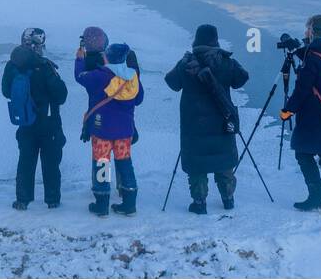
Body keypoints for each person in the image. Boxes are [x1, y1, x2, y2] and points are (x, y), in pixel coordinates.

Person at [164, 24, 249, 214]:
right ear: (215, 40)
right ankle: (228, 199)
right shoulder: (225, 62)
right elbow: (242, 78)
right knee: (224, 161)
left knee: (197, 164)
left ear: (196, 40)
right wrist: (227, 61)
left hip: (194, 124)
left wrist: (182, 63)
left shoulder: (187, 63)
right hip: (222, 120)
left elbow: (171, 83)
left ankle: (199, 203)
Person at [75, 29, 143, 218]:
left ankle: (102, 204)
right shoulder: (133, 77)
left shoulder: (99, 76)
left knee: (102, 164)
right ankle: (129, 204)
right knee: (125, 164)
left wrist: (80, 59)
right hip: (124, 131)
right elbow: (139, 99)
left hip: (102, 130)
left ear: (108, 58)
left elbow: (79, 77)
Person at [282, 14, 321, 212]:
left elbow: (302, 89)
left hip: (313, 116)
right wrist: (299, 49)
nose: (305, 31)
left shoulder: (312, 60)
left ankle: (316, 195)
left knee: (302, 152)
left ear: (313, 30)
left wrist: (287, 111)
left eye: (307, 28)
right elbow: (320, 62)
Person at [1, 27, 68, 210]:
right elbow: (61, 96)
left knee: (25, 161)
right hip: (49, 122)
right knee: (51, 163)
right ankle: (52, 200)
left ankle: (23, 199)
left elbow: (6, 91)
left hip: (25, 121)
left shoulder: (12, 65)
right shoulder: (46, 66)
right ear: (40, 46)